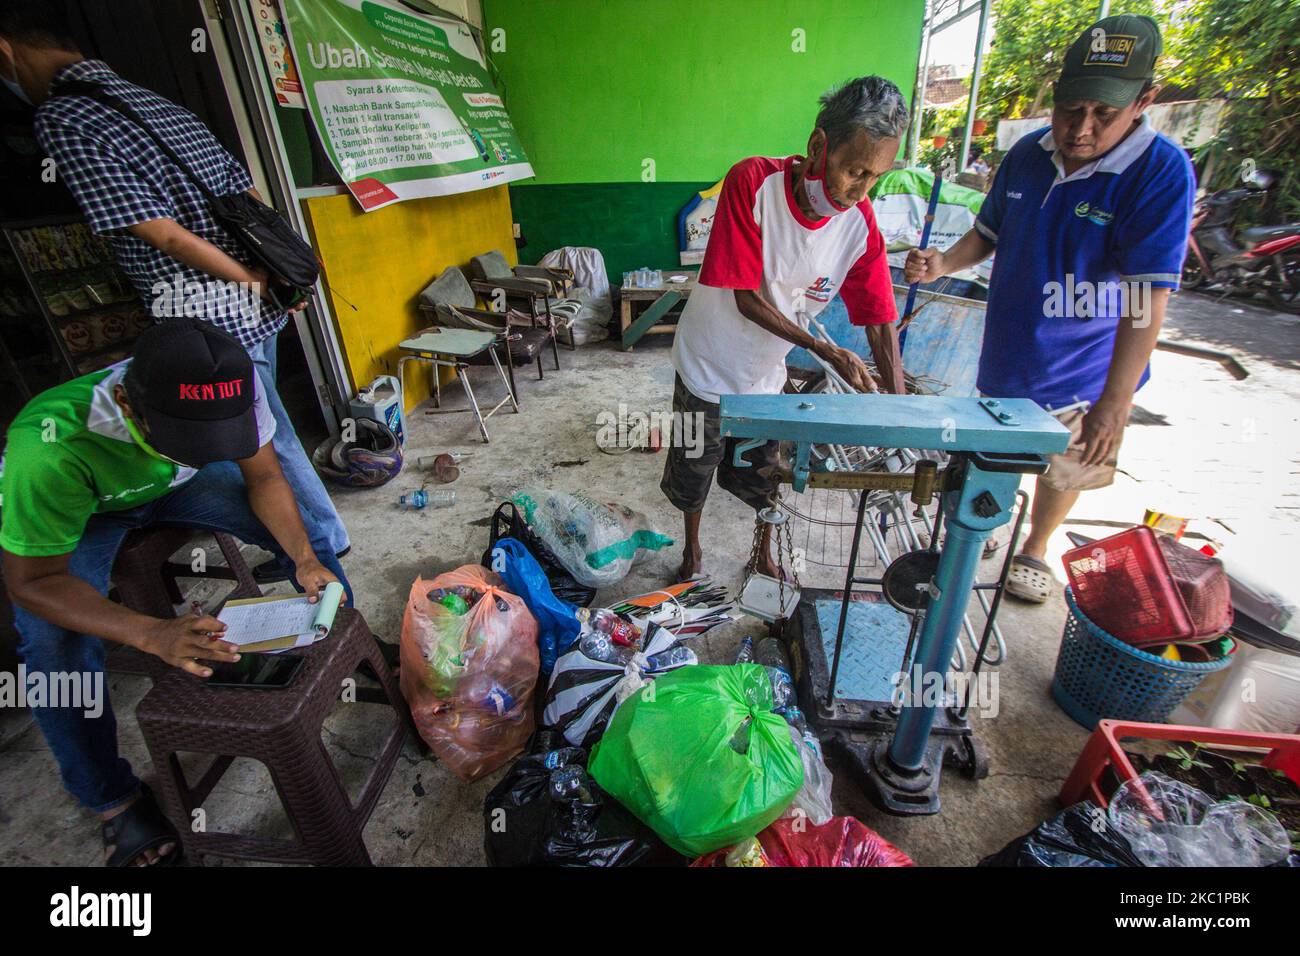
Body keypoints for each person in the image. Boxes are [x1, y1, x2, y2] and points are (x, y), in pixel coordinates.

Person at [0, 1, 349, 583]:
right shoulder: (156, 103)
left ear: (7, 51)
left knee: (260, 439)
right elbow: (247, 199)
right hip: (257, 305)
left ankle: (316, 549)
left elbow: (159, 231)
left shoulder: (64, 118)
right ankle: (319, 544)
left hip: (207, 311)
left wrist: (248, 280)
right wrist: (278, 280)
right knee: (270, 432)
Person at [1, 318, 352, 867]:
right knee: (51, 645)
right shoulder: (46, 450)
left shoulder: (237, 382)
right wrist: (151, 633)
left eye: (218, 438)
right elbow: (32, 583)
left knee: (309, 536)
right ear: (124, 401)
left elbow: (263, 478)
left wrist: (304, 561)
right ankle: (113, 802)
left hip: (175, 488)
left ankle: (350, 654)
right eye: (191, 438)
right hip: (89, 511)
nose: (207, 449)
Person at [905, 15, 1194, 602]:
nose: (1080, 129)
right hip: (1010, 350)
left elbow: (1147, 298)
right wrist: (941, 263)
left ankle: (1036, 546)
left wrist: (1116, 402)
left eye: (1102, 115)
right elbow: (988, 233)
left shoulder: (1160, 173)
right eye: (1070, 110)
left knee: (1068, 463)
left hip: (1086, 365)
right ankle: (988, 521)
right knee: (997, 450)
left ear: (1145, 101)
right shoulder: (1027, 157)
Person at [663, 75, 910, 582]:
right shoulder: (752, 182)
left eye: (876, 177)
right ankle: (692, 550)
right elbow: (747, 297)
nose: (861, 190)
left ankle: (763, 551)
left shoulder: (859, 224)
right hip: (707, 361)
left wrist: (900, 404)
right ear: (819, 145)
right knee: (695, 466)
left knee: (764, 476)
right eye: (854, 170)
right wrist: (827, 349)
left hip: (766, 373)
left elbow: (880, 318)